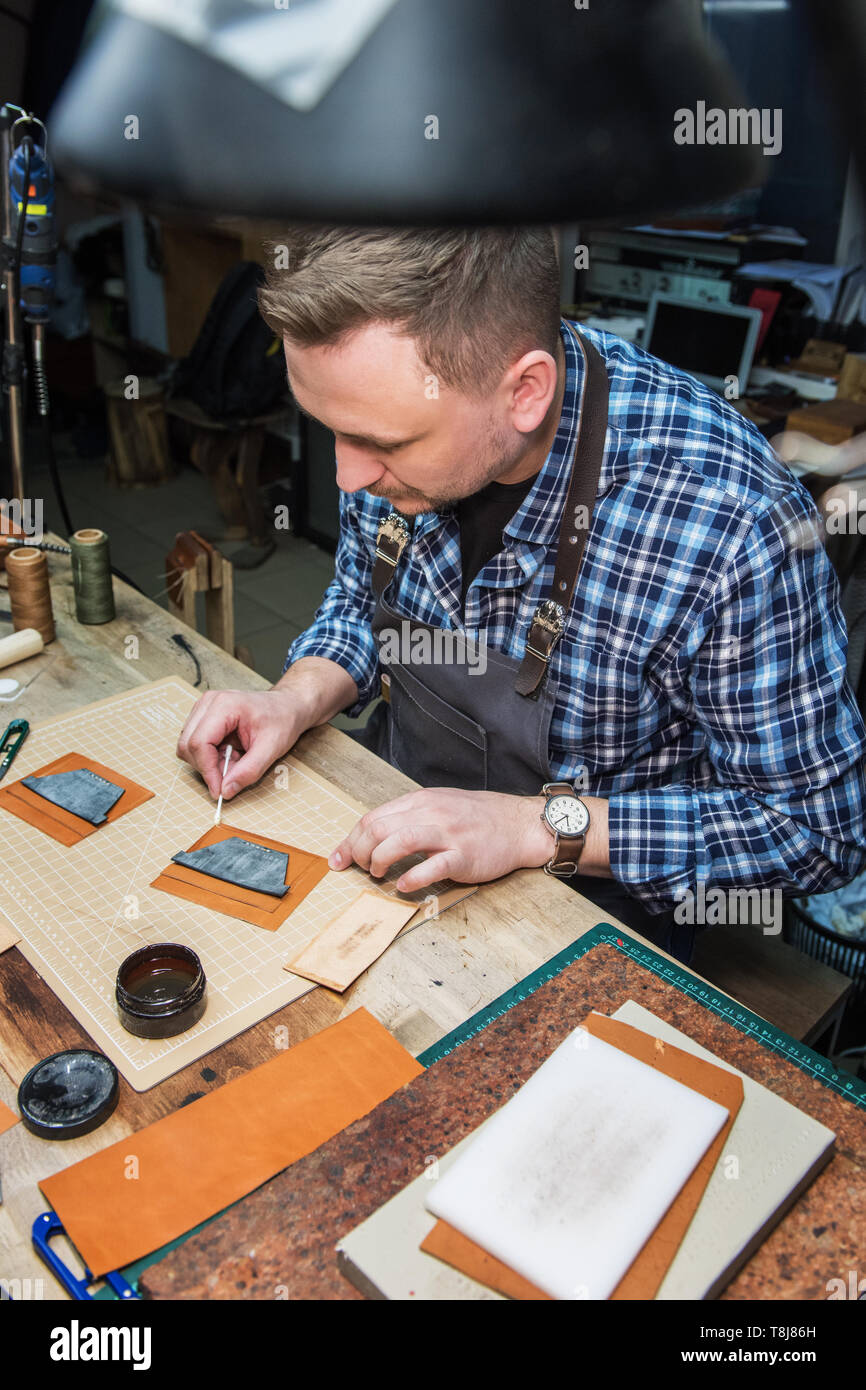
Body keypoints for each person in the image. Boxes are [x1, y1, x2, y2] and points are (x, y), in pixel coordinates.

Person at [177, 226, 866, 964]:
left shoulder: (729, 522)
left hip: (590, 912)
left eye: (383, 443)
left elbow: (816, 829)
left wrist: (537, 829)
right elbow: (358, 600)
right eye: (330, 432)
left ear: (525, 392)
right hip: (390, 836)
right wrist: (295, 697)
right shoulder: (384, 432)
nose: (348, 476)